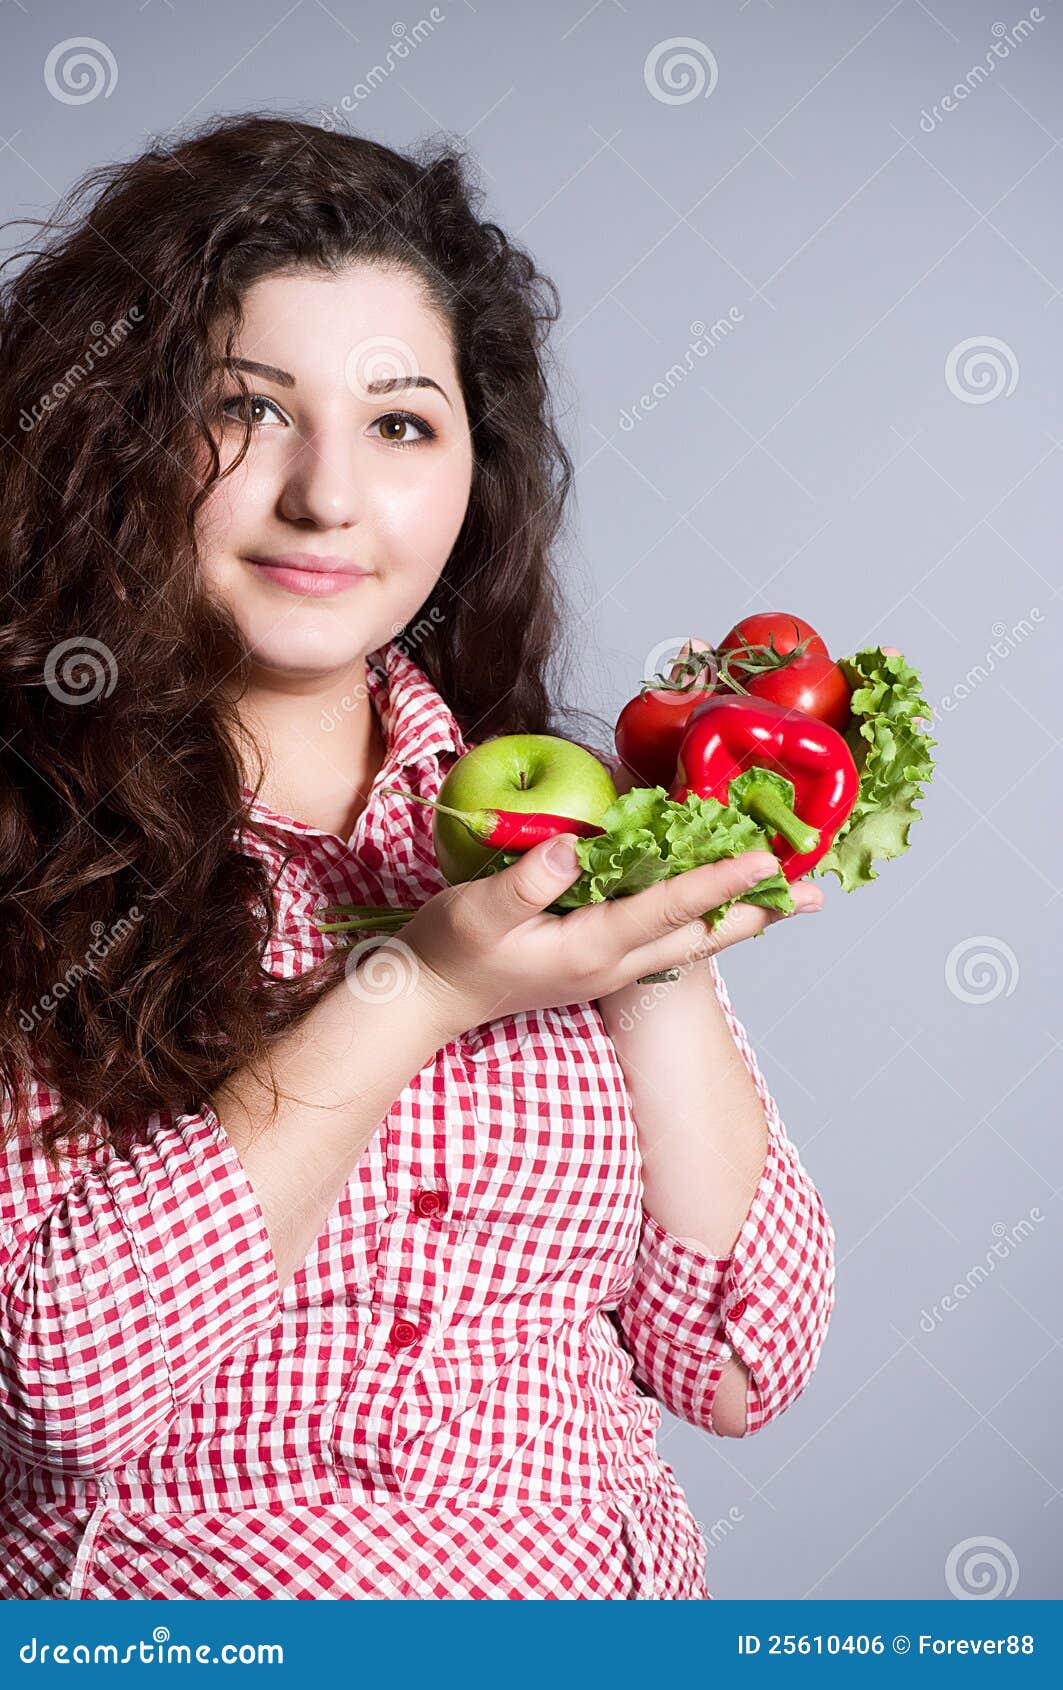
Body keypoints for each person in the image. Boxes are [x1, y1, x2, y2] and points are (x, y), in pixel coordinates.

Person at [0, 112, 846, 1600]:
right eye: (245, 409)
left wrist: (651, 944)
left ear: (473, 473)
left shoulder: (543, 823)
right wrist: (419, 988)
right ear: (114, 433)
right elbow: (57, 1388)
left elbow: (735, 1358)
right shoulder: (30, 840)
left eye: (401, 421)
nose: (328, 495)